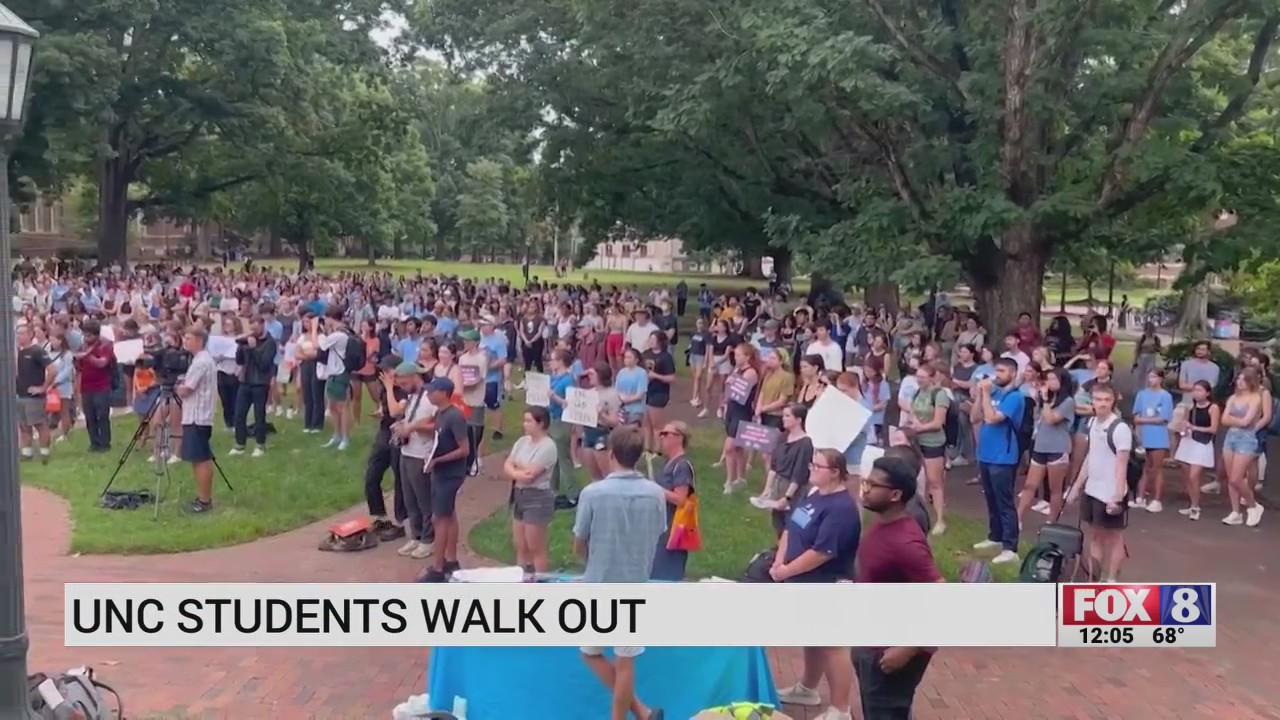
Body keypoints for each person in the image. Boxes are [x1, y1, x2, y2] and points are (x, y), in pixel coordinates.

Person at [573, 424, 667, 720]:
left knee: (594, 653)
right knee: (622, 660)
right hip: (636, 582)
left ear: (611, 454)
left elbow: (579, 543)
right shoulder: (655, 494)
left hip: (600, 583)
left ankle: (632, 715)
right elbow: (658, 533)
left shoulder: (593, 493)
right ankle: (641, 711)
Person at [853, 456, 944, 720]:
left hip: (891, 650)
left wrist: (907, 648)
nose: (865, 488)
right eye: (866, 481)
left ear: (895, 495)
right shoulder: (883, 522)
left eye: (872, 485)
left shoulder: (906, 543)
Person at [774, 447, 860, 720]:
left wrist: (786, 570)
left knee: (833, 645)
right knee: (813, 637)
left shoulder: (842, 508)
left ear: (835, 472)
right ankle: (807, 688)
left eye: (818, 466)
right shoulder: (813, 496)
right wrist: (779, 561)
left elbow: (822, 552)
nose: (811, 469)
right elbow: (790, 528)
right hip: (799, 579)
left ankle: (841, 709)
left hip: (826, 583)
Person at [1066, 383, 1131, 581]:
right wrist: (1077, 486)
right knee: (1094, 535)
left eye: (1106, 400)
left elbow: (1122, 464)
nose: (1102, 404)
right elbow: (1090, 457)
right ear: (1092, 400)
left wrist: (1118, 497)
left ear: (1113, 401)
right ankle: (1094, 578)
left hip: (1111, 492)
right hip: (1092, 489)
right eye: (1098, 399)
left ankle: (1111, 579)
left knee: (1114, 537)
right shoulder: (1092, 423)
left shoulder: (1119, 428)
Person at [971, 358, 1025, 565]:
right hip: (985, 453)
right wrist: (979, 395)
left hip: (1003, 456)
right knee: (991, 499)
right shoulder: (991, 393)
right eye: (996, 370)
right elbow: (975, 417)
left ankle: (1010, 547)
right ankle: (995, 536)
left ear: (1012, 373)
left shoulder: (1015, 397)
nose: (997, 375)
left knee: (1004, 502)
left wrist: (985, 394)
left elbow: (993, 418)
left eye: (1002, 371)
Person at [420, 377, 472, 581]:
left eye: (432, 391)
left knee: (439, 518)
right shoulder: (440, 414)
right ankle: (451, 559)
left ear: (443, 393)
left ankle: (438, 566)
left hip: (450, 474)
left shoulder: (454, 417)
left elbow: (464, 449)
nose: (428, 394)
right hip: (440, 472)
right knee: (448, 515)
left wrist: (438, 460)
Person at [504, 406, 558, 574]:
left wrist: (514, 469)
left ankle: (541, 580)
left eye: (528, 421)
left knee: (536, 547)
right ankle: (521, 576)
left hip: (537, 498)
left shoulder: (548, 447)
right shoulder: (522, 442)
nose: (524, 424)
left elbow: (531, 475)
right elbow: (507, 464)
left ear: (540, 423)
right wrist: (516, 470)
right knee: (520, 544)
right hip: (519, 495)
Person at [391, 361, 436, 560]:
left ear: (415, 377)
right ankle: (415, 536)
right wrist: (403, 426)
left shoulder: (430, 397)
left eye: (403, 383)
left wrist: (413, 427)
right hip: (407, 451)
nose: (402, 388)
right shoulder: (411, 397)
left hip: (422, 454)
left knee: (424, 499)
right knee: (409, 498)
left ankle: (428, 539)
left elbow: (436, 424)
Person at [177, 327, 218, 513]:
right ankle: (202, 497)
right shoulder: (201, 360)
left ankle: (204, 500)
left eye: (189, 338)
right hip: (197, 415)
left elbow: (187, 389)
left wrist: (178, 386)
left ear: (200, 340)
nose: (185, 341)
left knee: (201, 458)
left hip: (197, 416)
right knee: (197, 457)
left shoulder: (201, 362)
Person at [1219, 368, 1266, 527]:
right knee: (1230, 478)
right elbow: (1224, 419)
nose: (1239, 382)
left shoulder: (1255, 398)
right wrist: (1236, 421)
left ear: (1250, 381)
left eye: (1243, 379)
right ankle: (1235, 512)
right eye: (1238, 379)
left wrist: (1234, 420)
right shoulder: (1232, 398)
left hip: (1246, 439)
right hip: (1230, 437)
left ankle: (1253, 506)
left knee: (1236, 477)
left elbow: (1247, 422)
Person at [651, 421, 696, 581]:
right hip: (660, 528)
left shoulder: (682, 466)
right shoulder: (667, 463)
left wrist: (653, 489)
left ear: (679, 438)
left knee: (665, 576)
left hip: (673, 531)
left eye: (665, 434)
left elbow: (681, 500)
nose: (661, 437)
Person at [230, 316, 277, 457]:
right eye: (251, 328)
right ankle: (240, 444)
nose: (253, 331)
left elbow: (263, 363)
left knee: (259, 415)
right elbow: (239, 360)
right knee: (239, 414)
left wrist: (253, 348)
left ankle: (260, 444)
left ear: (263, 325)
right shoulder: (249, 339)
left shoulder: (270, 342)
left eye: (255, 328)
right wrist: (241, 347)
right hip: (245, 381)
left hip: (260, 382)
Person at [1130, 369, 1173, 513]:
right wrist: (1142, 424)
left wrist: (1144, 420)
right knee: (1144, 467)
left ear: (1160, 379)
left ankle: (1156, 499)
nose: (1151, 380)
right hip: (1143, 435)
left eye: (1154, 377)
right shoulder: (1142, 394)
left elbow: (1163, 418)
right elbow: (1136, 416)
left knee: (1157, 467)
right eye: (1150, 377)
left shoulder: (1165, 396)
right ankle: (1140, 497)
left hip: (1158, 436)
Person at [1173, 380, 1217, 521]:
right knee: (1186, 475)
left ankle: (1196, 506)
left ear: (1207, 393)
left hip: (1202, 443)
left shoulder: (1213, 408)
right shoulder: (1190, 407)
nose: (1196, 393)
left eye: (1200, 390)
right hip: (1189, 442)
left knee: (1194, 476)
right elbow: (1185, 425)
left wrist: (1194, 428)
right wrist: (1183, 428)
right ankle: (1192, 503)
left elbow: (1213, 429)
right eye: (1195, 390)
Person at [75, 320, 116, 453]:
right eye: (85, 335)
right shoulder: (82, 347)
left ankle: (105, 443)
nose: (86, 338)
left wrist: (87, 356)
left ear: (96, 335)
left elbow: (102, 363)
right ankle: (94, 443)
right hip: (86, 385)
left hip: (102, 385)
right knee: (90, 415)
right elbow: (78, 367)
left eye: (89, 336)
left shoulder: (106, 345)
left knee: (102, 415)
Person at [16, 324, 54, 464]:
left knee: (40, 424)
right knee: (24, 426)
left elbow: (52, 369)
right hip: (20, 395)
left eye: (22, 333)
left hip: (34, 398)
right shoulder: (17, 353)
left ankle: (44, 453)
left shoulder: (37, 351)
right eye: (18, 333)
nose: (19, 336)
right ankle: (27, 454)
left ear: (30, 335)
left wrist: (43, 387)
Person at [457, 327, 490, 476]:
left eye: (468, 341)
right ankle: (466, 462)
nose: (465, 343)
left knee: (476, 431)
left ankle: (474, 460)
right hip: (463, 400)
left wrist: (463, 385)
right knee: (464, 431)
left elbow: (477, 380)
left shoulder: (481, 358)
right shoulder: (462, 358)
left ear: (475, 343)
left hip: (476, 400)